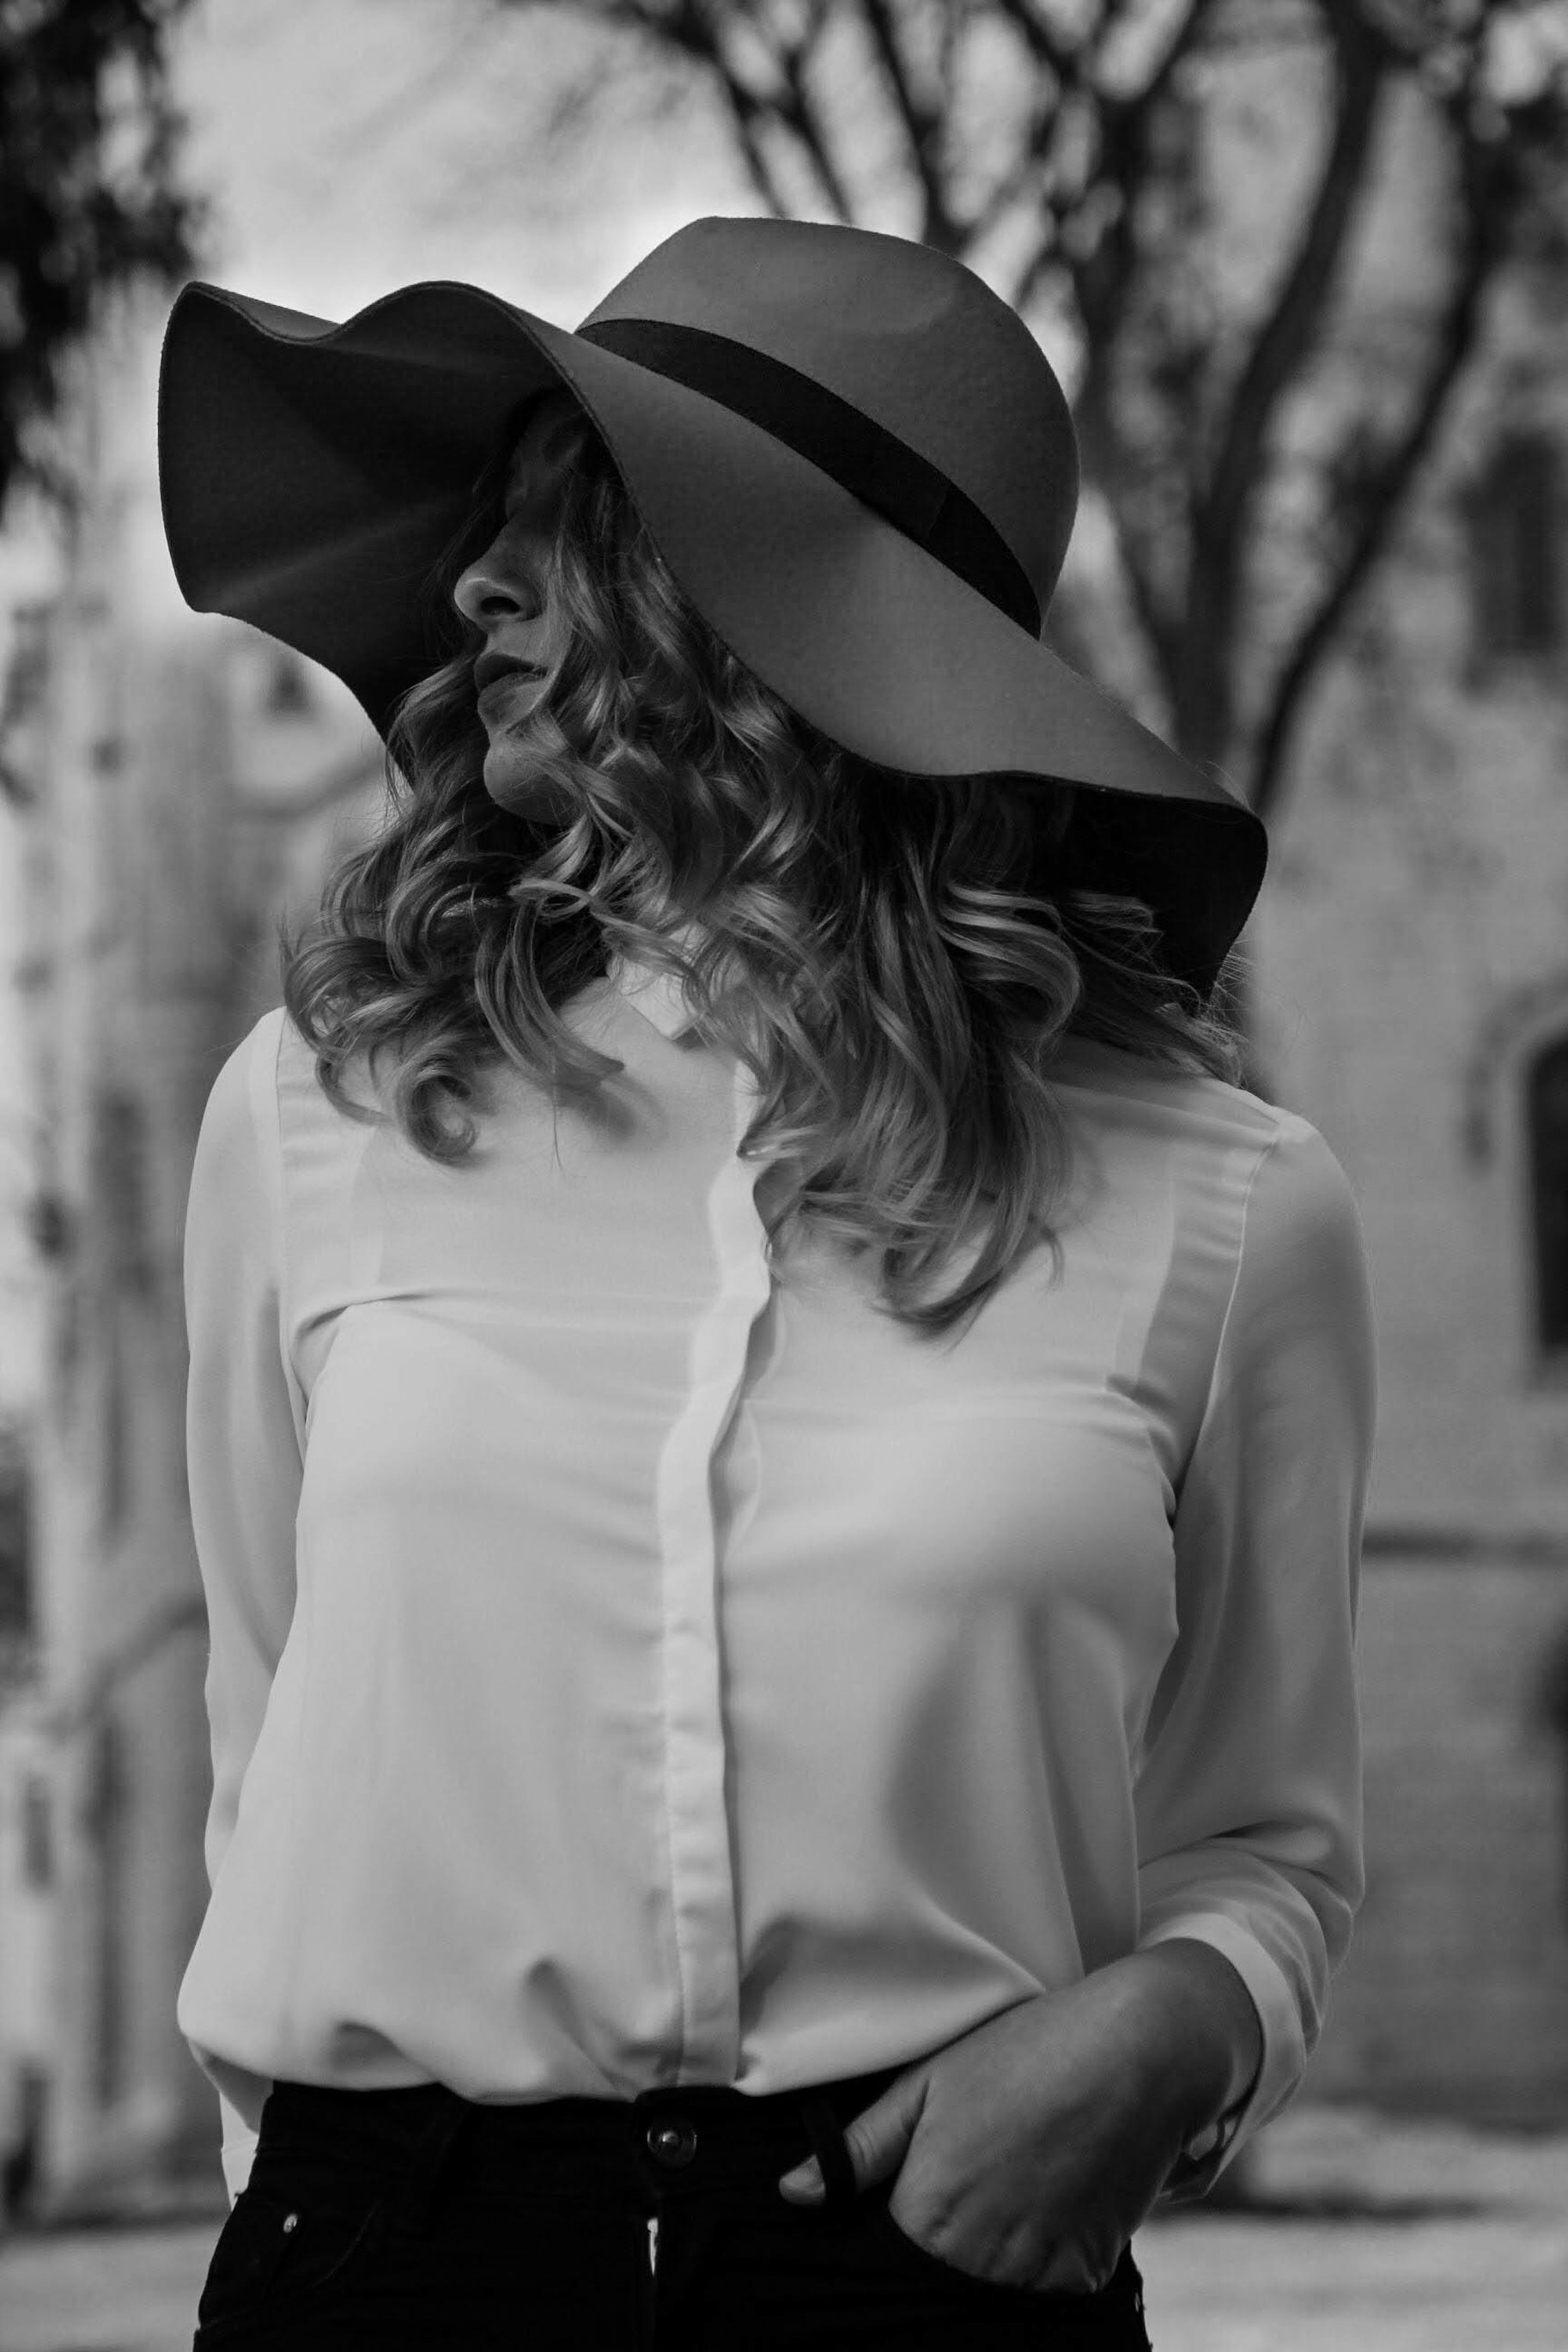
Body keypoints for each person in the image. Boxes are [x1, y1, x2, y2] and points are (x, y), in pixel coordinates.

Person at [159, 215, 1377, 2350]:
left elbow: (1262, 1838)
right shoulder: (318, 1114)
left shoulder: (1231, 1200)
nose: (477, 591)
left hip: (925, 2259)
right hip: (394, 2262)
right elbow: (265, 1738)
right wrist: (313, 2200)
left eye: (568, 521)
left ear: (787, 613)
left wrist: (1177, 2026)